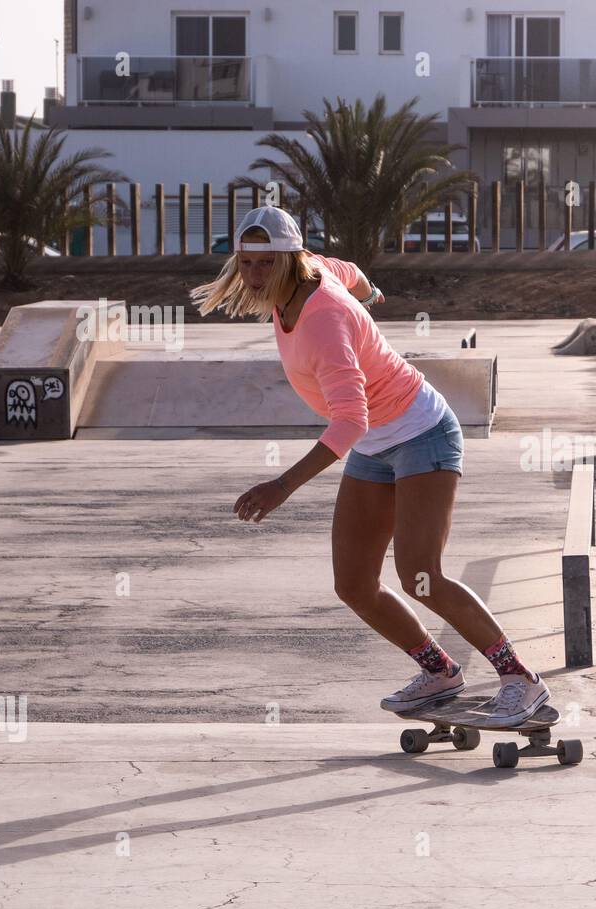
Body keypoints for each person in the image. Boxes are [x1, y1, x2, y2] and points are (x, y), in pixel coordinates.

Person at [190, 206, 549, 727]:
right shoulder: (314, 269)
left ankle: (520, 679)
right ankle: (440, 672)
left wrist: (282, 486)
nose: (254, 274)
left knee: (420, 575)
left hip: (421, 432)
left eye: (266, 263)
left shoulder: (324, 323)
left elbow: (349, 422)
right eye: (246, 262)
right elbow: (350, 270)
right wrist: (371, 294)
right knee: (354, 582)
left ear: (290, 260)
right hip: (376, 445)